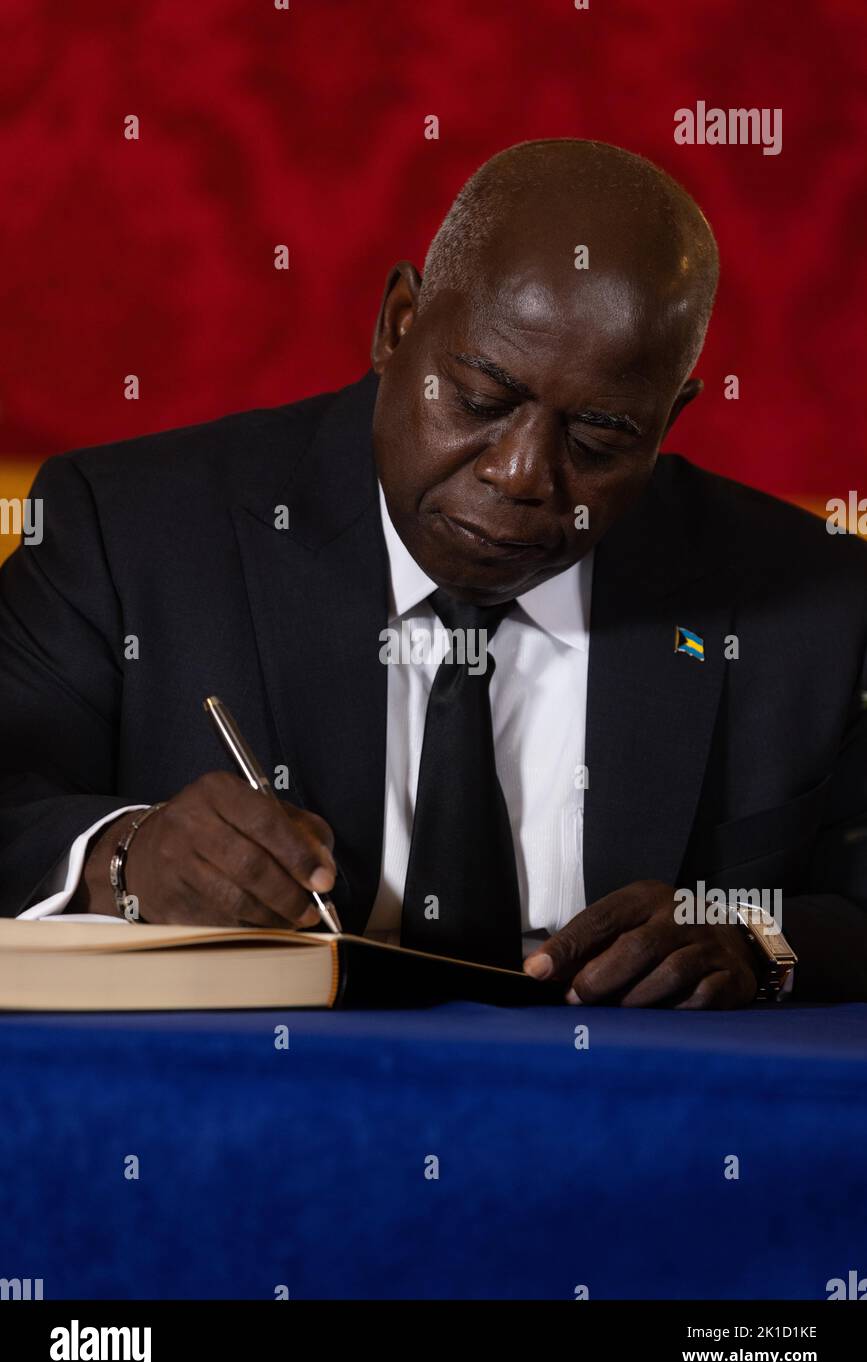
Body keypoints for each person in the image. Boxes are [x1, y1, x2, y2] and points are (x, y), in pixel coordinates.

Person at [1, 139, 865, 1006]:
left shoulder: (814, 601)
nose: (523, 475)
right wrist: (124, 857)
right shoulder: (131, 529)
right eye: (480, 402)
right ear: (399, 325)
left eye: (600, 437)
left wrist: (760, 937)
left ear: (668, 418)